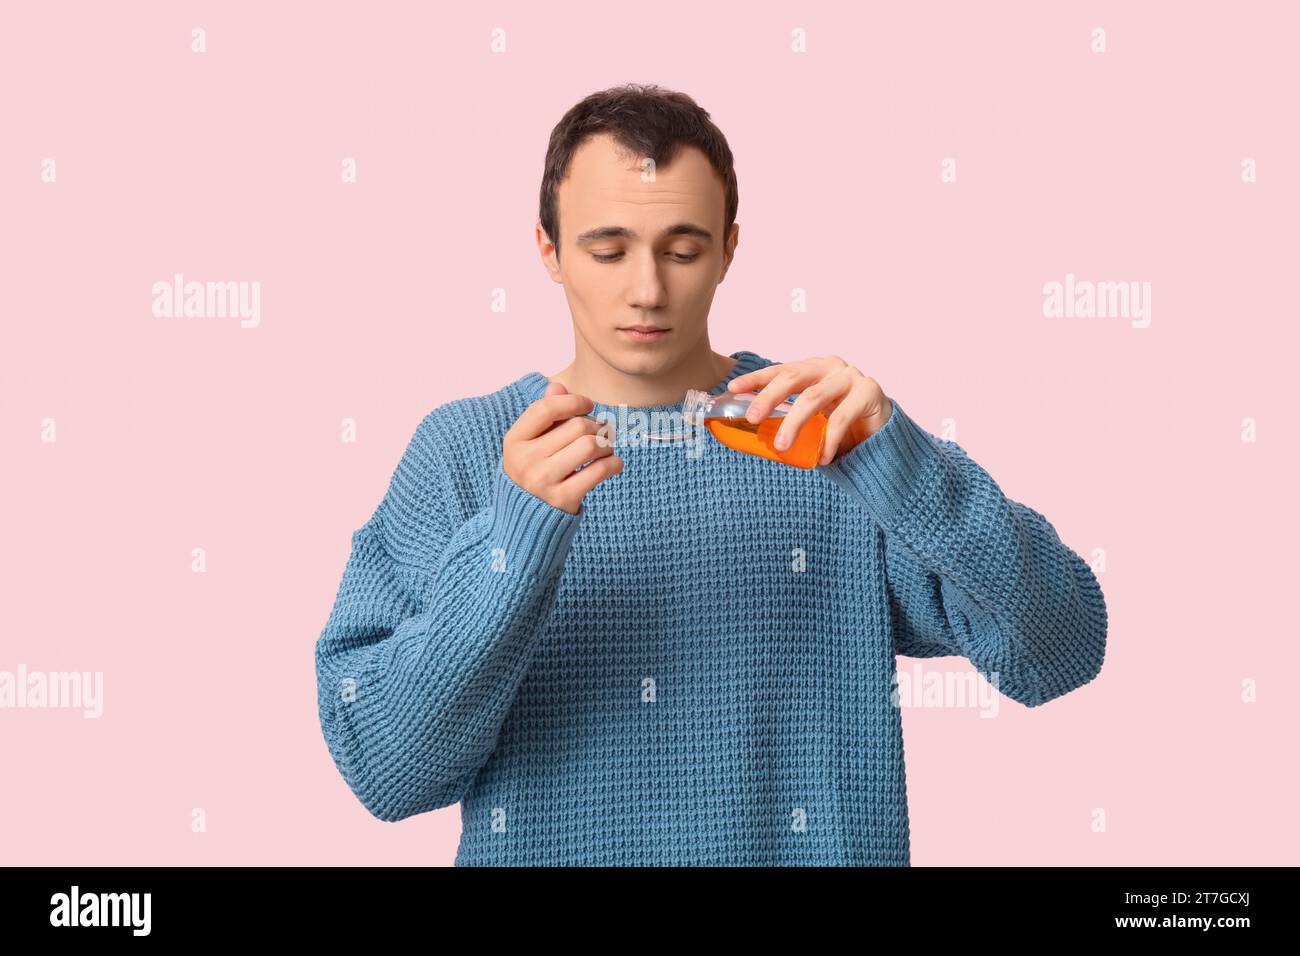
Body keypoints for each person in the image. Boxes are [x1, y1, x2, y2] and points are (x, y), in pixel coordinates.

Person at [313, 83, 1108, 866]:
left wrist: (904, 464)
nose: (647, 290)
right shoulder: (466, 449)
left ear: (729, 248)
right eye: (609, 249)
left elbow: (1063, 648)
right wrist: (513, 541)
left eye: (683, 249)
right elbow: (386, 771)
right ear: (549, 251)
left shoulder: (816, 430)